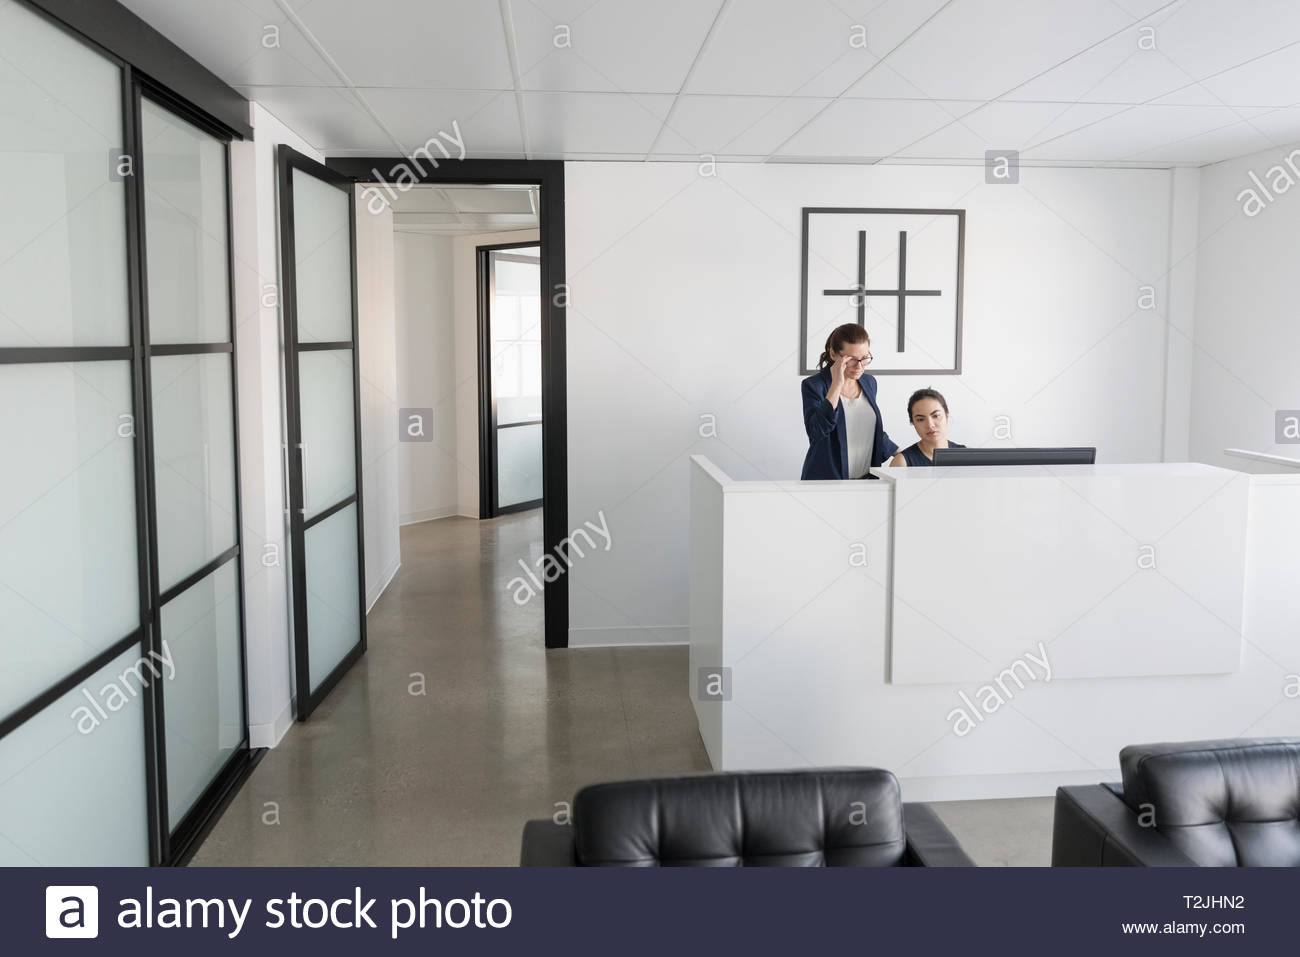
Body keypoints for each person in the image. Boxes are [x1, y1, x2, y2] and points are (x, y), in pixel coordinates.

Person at [800, 324, 899, 480]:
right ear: (833, 354)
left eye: (865, 358)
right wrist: (836, 385)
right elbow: (816, 432)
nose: (859, 366)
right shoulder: (814, 386)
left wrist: (902, 454)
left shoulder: (869, 382)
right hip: (827, 480)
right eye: (851, 359)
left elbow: (869, 428)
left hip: (866, 481)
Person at [889, 388, 965, 467]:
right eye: (920, 419)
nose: (930, 425)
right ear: (913, 423)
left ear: (946, 417)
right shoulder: (901, 462)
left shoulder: (968, 456)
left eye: (936, 416)